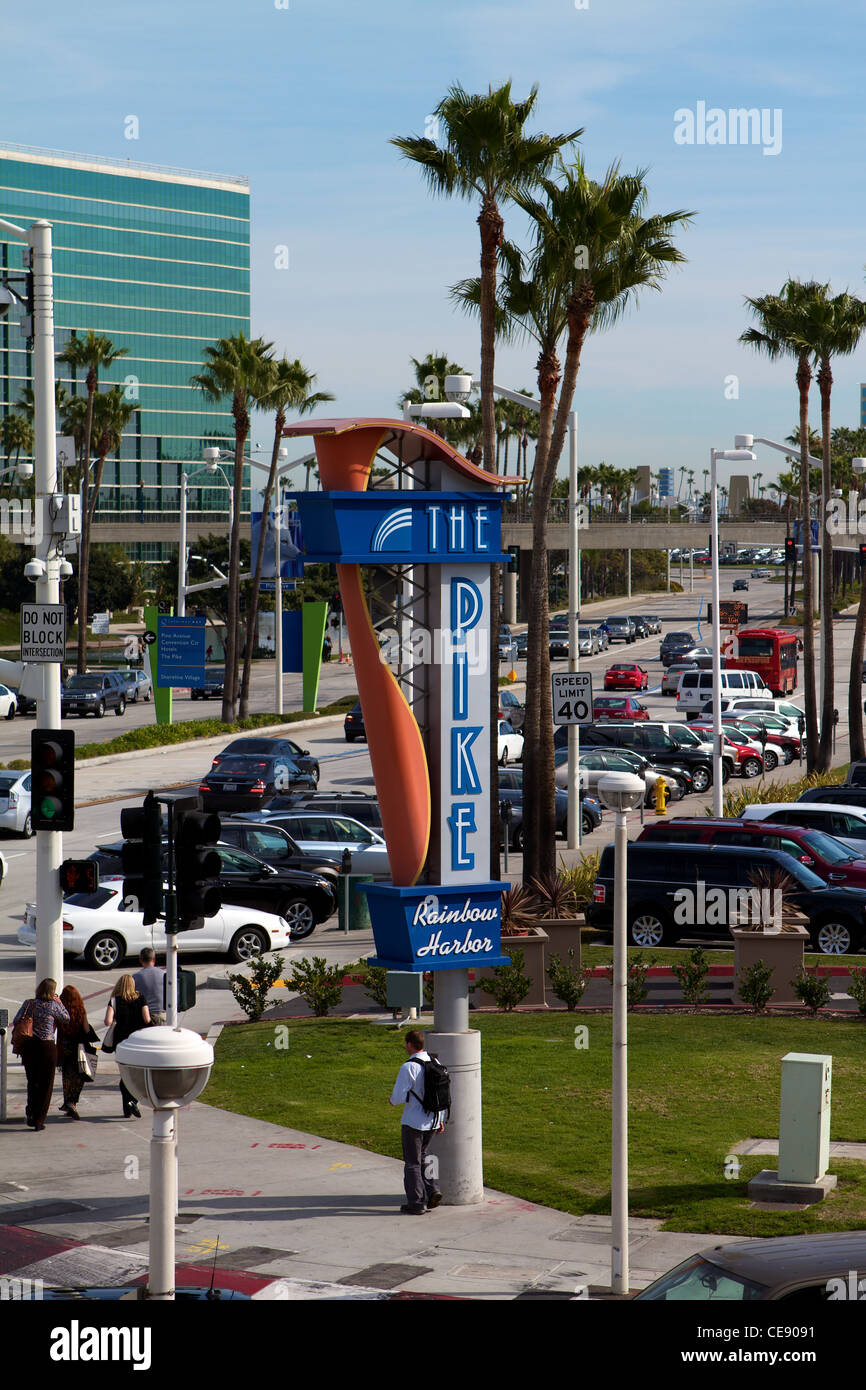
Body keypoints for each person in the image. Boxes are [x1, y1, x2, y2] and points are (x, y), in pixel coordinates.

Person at [388, 1029, 444, 1215]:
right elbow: (441, 1093)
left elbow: (398, 1097)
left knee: (412, 1162)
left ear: (410, 1044)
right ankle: (433, 1189)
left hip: (414, 1122)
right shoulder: (435, 1061)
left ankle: (416, 1202)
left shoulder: (409, 1067)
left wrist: (391, 1100)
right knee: (425, 1156)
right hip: (433, 1120)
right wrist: (441, 1119)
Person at [12, 979, 70, 1130]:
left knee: (32, 1082)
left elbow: (17, 1019)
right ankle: (39, 1119)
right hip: (47, 1048)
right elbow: (66, 1018)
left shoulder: (29, 1003)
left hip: (30, 1047)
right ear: (52, 992)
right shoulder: (52, 1006)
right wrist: (60, 1003)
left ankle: (30, 1111)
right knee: (46, 1085)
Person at [104, 975, 150, 1118]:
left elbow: (107, 1021)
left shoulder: (114, 1000)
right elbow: (147, 1019)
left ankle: (127, 1106)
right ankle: (132, 1101)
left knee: (125, 1073)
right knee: (136, 1075)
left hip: (121, 1042)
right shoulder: (141, 998)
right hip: (137, 1041)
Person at [57, 985, 99, 1119]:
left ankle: (67, 1102)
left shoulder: (60, 1012)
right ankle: (72, 1101)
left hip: (64, 1046)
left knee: (67, 1076)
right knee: (80, 1075)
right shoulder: (81, 1011)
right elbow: (86, 1030)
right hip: (79, 1048)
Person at [132, 947, 166, 1026]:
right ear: (154, 959)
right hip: (162, 1015)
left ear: (140, 960)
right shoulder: (164, 974)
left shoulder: (135, 977)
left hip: (144, 1017)